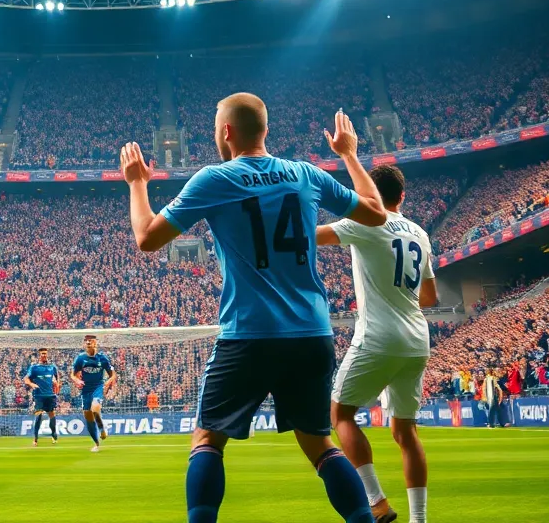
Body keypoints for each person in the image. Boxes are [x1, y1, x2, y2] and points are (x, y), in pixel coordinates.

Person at [122, 98, 387, 523]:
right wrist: (349, 155)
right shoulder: (306, 174)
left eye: (216, 127)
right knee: (319, 444)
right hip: (311, 334)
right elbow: (375, 213)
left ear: (226, 132)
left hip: (248, 334)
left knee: (207, 439)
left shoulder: (215, 179)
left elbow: (147, 238)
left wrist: (137, 183)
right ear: (265, 130)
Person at [316, 164, 436, 523]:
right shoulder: (420, 233)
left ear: (369, 193)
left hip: (378, 336)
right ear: (402, 196)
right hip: (417, 339)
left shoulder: (367, 221)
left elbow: (313, 236)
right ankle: (419, 519)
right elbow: (429, 297)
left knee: (340, 415)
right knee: (405, 431)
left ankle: (377, 501)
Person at [70, 335, 116, 453]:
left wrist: (108, 382)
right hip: (85, 390)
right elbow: (72, 374)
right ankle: (96, 443)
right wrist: (77, 380)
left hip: (98, 387)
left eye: (90, 341)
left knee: (95, 408)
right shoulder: (80, 358)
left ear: (95, 343)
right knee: (88, 417)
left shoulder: (102, 358)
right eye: (86, 341)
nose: (88, 342)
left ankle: (102, 429)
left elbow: (113, 375)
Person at [24, 347, 60, 446]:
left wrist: (57, 384)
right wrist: (31, 384)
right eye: (42, 353)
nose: (44, 355)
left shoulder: (52, 367)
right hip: (39, 396)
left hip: (50, 395)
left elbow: (57, 378)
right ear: (39, 355)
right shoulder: (34, 367)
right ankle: (35, 439)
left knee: (52, 414)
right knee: (38, 415)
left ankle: (54, 434)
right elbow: (26, 379)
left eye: (45, 353)